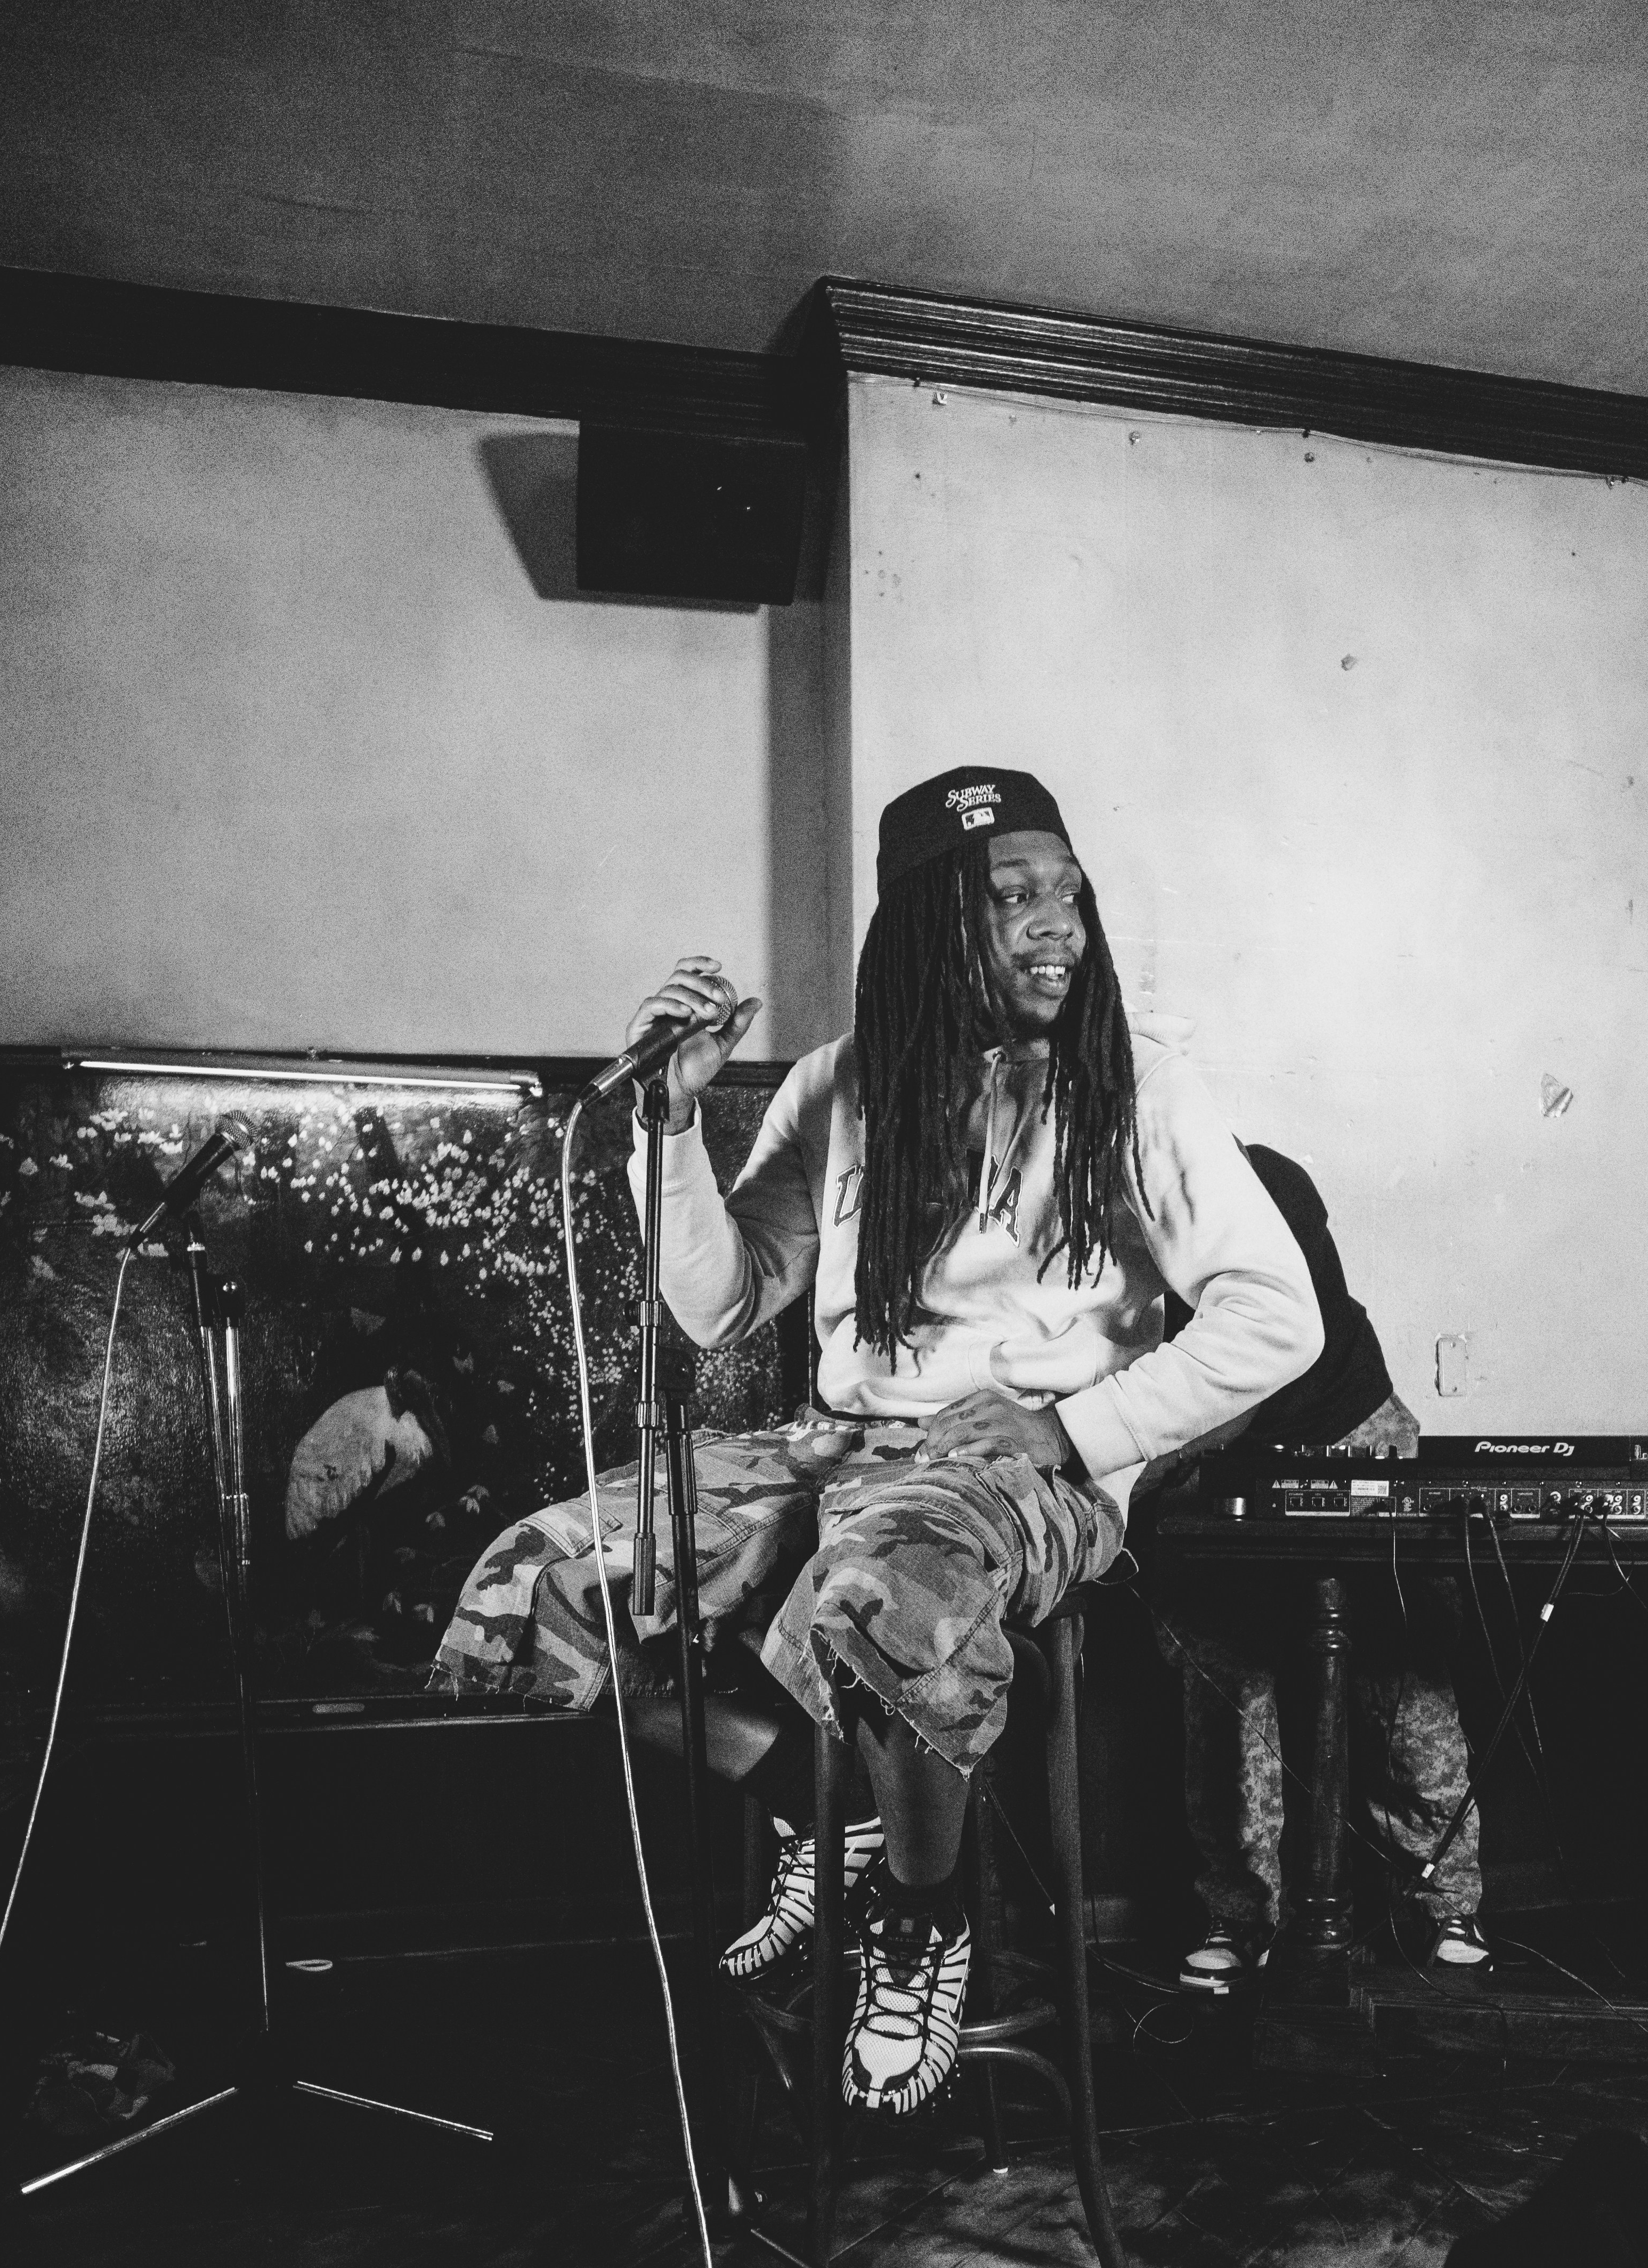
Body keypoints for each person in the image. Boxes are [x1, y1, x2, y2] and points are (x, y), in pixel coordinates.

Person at [437, 766, 1324, 2112]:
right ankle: (832, 1806)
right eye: (1014, 896)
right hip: (841, 1439)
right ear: (925, 922)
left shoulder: (1136, 1089)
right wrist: (670, 1119)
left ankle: (922, 1922)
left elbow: (1278, 1315)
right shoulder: (833, 1086)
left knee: (877, 1602)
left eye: (1067, 895)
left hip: (1020, 1472)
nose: (1058, 926)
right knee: (536, 1584)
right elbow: (720, 1298)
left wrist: (1073, 1426)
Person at [1151, 1145, 1489, 1987]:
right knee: (1222, 1684)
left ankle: (1446, 1907)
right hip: (1212, 1457)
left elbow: (1264, 1366)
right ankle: (1239, 1919)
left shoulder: (1266, 1181)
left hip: (1351, 1434)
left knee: (1405, 1686)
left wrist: (1138, 1466)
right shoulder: (1100, 1206)